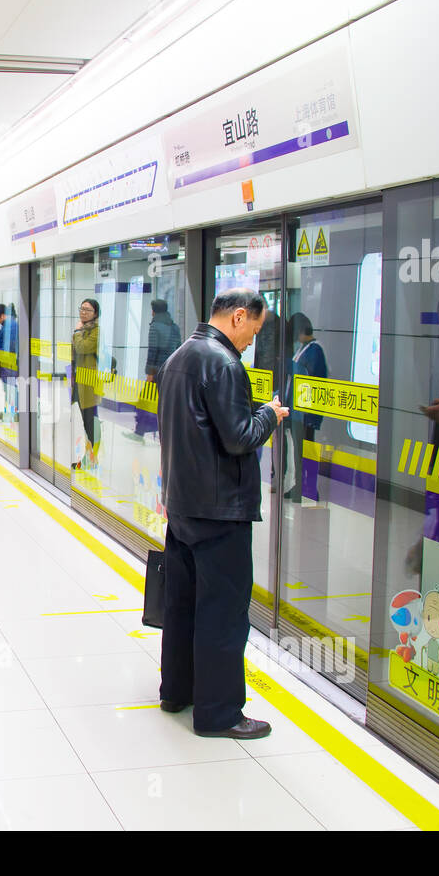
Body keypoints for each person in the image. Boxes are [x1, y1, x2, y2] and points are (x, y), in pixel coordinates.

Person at [156, 288, 288, 739]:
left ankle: (177, 691)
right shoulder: (225, 363)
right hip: (220, 511)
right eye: (255, 329)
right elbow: (238, 437)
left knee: (182, 605)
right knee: (224, 614)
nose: (253, 340)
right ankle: (219, 714)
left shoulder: (178, 358)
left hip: (182, 505)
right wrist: (269, 415)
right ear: (238, 317)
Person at [283, 311, 327, 501]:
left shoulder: (314, 350)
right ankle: (300, 484)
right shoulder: (304, 348)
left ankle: (308, 486)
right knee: (299, 450)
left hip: (305, 412)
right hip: (297, 410)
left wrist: (286, 364)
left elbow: (310, 379)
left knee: (306, 450)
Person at [131, 298, 183, 440]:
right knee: (164, 402)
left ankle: (139, 433)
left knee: (145, 400)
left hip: (157, 370)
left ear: (153, 311)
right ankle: (163, 435)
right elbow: (179, 348)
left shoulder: (155, 326)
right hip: (170, 370)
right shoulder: (174, 327)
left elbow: (153, 350)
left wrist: (150, 372)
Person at [71, 298, 103, 469]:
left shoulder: (96, 331)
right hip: (80, 381)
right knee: (85, 420)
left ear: (95, 313)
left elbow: (82, 348)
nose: (83, 312)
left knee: (91, 421)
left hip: (90, 383)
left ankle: (92, 457)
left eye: (88, 310)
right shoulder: (83, 329)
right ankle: (89, 456)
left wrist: (77, 332)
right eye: (82, 309)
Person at [0, 303, 19, 420]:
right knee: (8, 388)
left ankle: (15, 412)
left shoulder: (10, 326)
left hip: (8, 364)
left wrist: (1, 357)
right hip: (7, 363)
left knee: (10, 388)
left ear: (2, 315)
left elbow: (10, 346)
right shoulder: (9, 325)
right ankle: (10, 411)